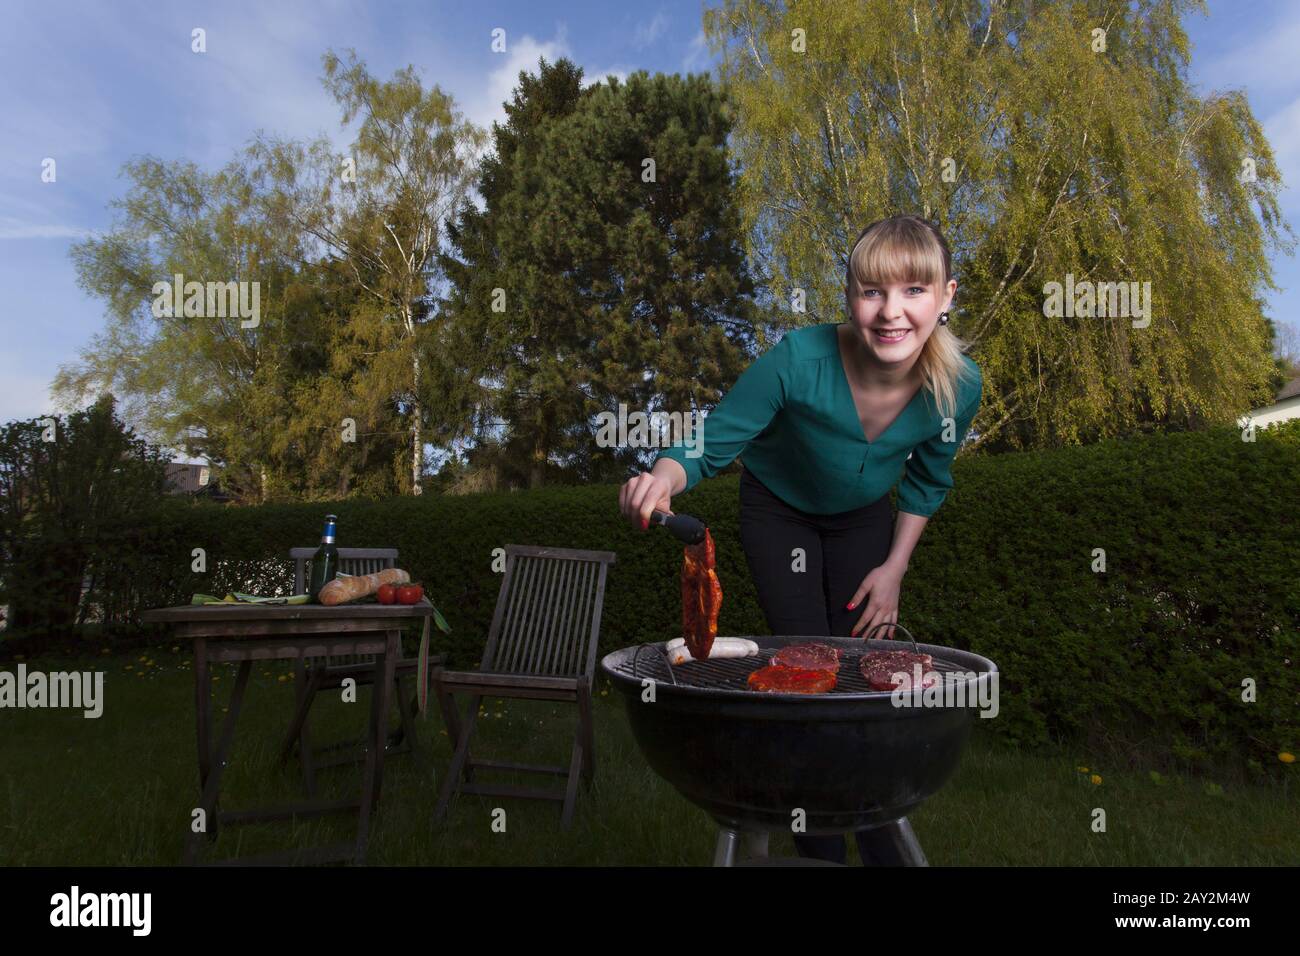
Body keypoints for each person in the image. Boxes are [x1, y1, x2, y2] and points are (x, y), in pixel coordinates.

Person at [617, 214, 983, 865]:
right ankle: (818, 850)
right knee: (807, 671)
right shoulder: (798, 358)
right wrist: (663, 477)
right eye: (872, 291)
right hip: (778, 512)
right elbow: (714, 438)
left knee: (865, 673)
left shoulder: (959, 387)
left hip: (864, 519)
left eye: (913, 291)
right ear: (849, 296)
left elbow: (928, 481)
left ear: (947, 295)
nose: (891, 312)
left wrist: (894, 568)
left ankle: (877, 831)